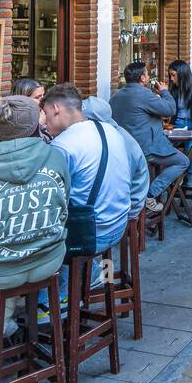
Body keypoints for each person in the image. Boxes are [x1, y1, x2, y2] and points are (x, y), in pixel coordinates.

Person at [0, 95, 70, 349]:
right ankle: (10, 316)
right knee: (6, 261)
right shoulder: (56, 159)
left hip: (0, 271)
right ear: (35, 126)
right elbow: (64, 204)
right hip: (49, 260)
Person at [41, 84, 144, 295]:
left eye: (45, 114)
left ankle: (52, 307)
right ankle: (86, 280)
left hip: (90, 235)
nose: (44, 122)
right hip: (117, 225)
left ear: (56, 109)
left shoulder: (63, 146)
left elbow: (46, 199)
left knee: (29, 243)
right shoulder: (111, 131)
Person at [109, 60, 187, 213]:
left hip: (122, 151)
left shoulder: (115, 97)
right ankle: (149, 195)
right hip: (146, 150)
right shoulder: (145, 94)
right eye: (146, 74)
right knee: (183, 161)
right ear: (143, 78)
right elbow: (170, 109)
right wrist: (165, 91)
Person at [82, 96, 152, 227]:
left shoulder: (118, 141)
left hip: (125, 208)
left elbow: (118, 182)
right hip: (121, 202)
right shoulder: (110, 133)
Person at [0, 77, 49, 144]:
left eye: (43, 95)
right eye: (37, 97)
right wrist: (39, 125)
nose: (43, 100)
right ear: (23, 98)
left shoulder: (42, 113)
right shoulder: (3, 117)